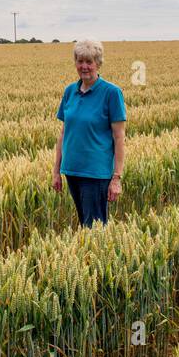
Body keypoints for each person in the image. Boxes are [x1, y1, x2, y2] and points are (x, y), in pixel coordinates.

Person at [51, 39, 126, 227]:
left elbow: (119, 138)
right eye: (80, 61)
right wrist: (56, 171)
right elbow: (63, 133)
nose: (84, 66)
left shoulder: (111, 93)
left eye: (89, 62)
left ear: (98, 63)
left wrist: (116, 178)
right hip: (72, 170)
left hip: (95, 173)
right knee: (86, 226)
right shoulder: (70, 91)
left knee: (94, 230)